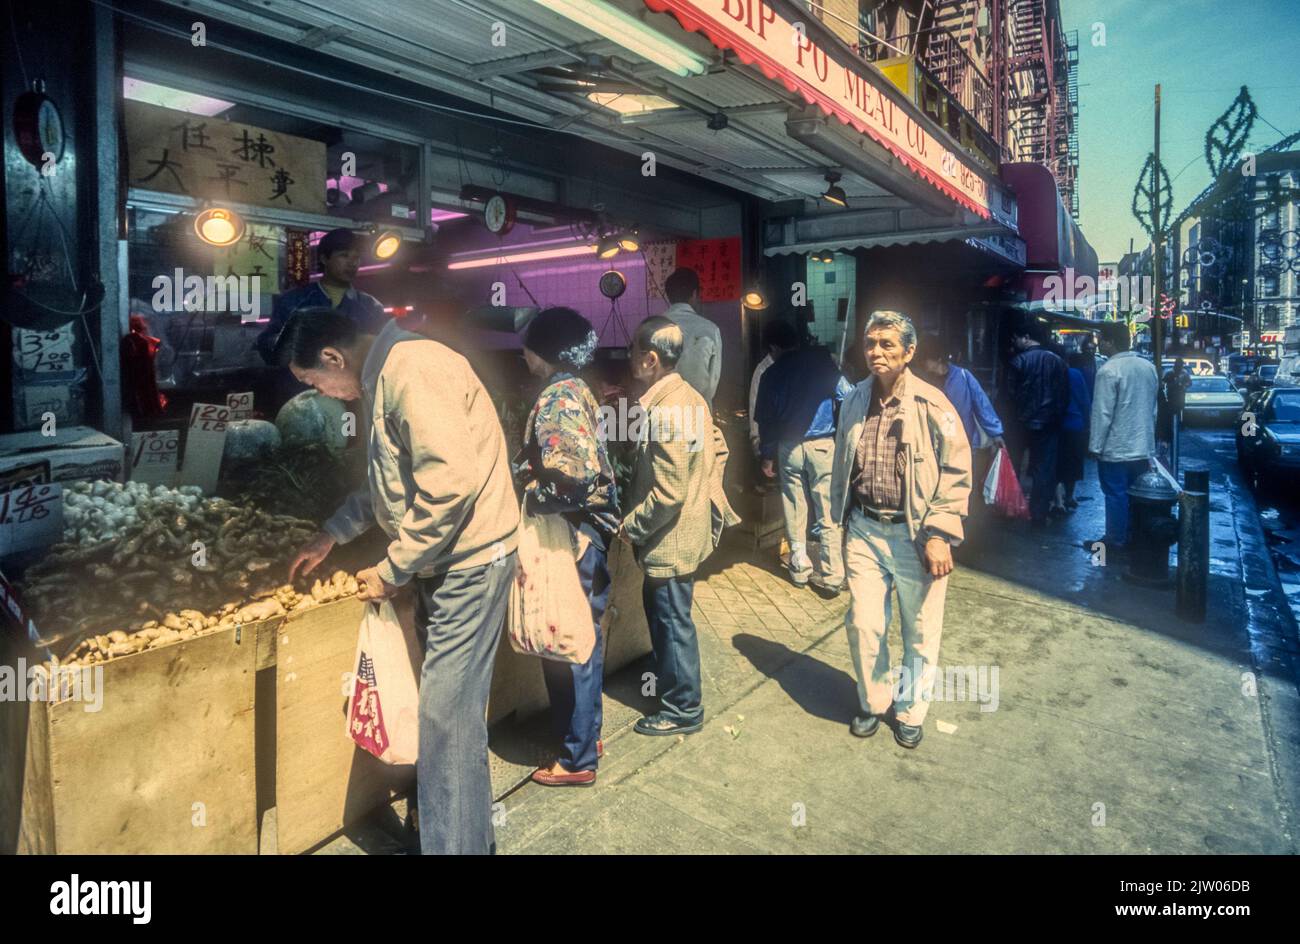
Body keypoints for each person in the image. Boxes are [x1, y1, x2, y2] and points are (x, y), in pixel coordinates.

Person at [277, 309, 519, 856]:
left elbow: (448, 486)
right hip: (445, 563)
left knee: (444, 721)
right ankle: (466, 842)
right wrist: (331, 535)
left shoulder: (413, 369)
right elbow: (389, 483)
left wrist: (391, 570)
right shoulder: (385, 374)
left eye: (315, 382)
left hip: (470, 565)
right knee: (451, 719)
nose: (323, 393)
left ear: (334, 358)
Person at [830, 311, 971, 749]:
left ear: (909, 352)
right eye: (871, 344)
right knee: (864, 623)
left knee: (921, 630)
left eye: (888, 344)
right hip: (864, 529)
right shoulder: (854, 398)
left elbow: (957, 467)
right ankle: (873, 701)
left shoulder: (933, 404)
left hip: (915, 535)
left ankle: (910, 709)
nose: (876, 352)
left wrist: (940, 533)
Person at [514, 308, 620, 788]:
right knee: (584, 639)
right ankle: (585, 738)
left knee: (567, 639)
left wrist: (527, 492)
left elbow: (573, 479)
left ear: (549, 352)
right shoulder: (577, 389)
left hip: (573, 536)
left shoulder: (558, 396)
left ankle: (577, 760)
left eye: (529, 344)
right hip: (590, 534)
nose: (523, 353)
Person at [620, 316, 739, 737]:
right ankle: (676, 689)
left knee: (671, 623)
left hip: (667, 539)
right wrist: (705, 489)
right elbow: (718, 448)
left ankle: (682, 708)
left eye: (633, 351)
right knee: (672, 619)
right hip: (683, 532)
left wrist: (630, 525)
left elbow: (668, 493)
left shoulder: (665, 411)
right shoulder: (689, 397)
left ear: (650, 358)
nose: (628, 358)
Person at [754, 320, 853, 595]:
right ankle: (833, 574)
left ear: (774, 347)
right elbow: (849, 396)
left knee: (794, 505)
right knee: (828, 510)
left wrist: (766, 456)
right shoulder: (824, 365)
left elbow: (766, 420)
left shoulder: (771, 373)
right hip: (823, 446)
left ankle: (799, 568)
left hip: (789, 448)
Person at [256, 228, 387, 365]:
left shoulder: (370, 306)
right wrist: (299, 341)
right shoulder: (293, 301)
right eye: (344, 255)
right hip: (301, 382)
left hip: (353, 383)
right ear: (324, 259)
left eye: (356, 257)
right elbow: (268, 347)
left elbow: (381, 352)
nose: (352, 263)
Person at [1088, 321, 1158, 552]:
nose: (1098, 345)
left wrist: (1095, 446)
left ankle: (1115, 539)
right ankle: (1133, 537)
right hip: (1142, 446)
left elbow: (1102, 413)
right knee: (1137, 495)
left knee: (1115, 494)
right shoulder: (1148, 367)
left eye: (1101, 340)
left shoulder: (1108, 370)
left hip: (1115, 448)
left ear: (1110, 342)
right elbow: (1154, 409)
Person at [1008, 319, 1069, 526]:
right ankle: (1039, 514)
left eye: (1016, 338)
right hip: (1049, 425)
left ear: (1026, 337)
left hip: (1021, 423)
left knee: (1014, 465)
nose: (1014, 341)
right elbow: (1064, 397)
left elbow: (1010, 396)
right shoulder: (1058, 362)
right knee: (1044, 469)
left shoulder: (1018, 361)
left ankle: (1011, 508)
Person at [920, 334, 1007, 454]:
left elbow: (981, 404)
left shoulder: (963, 376)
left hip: (966, 442)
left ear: (938, 358)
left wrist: (996, 433)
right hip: (937, 444)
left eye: (926, 359)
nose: (923, 363)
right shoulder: (925, 382)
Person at [660, 267, 722, 406]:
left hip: (662, 412)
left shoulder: (652, 328)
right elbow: (713, 381)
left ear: (668, 295)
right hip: (697, 411)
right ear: (695, 294)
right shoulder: (709, 329)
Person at [1053, 353, 1094, 513]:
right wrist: (1088, 424)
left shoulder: (1052, 373)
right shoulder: (1076, 374)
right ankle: (1069, 496)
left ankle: (1058, 502)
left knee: (1056, 464)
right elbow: (1085, 401)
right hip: (1075, 426)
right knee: (1073, 464)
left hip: (1055, 426)